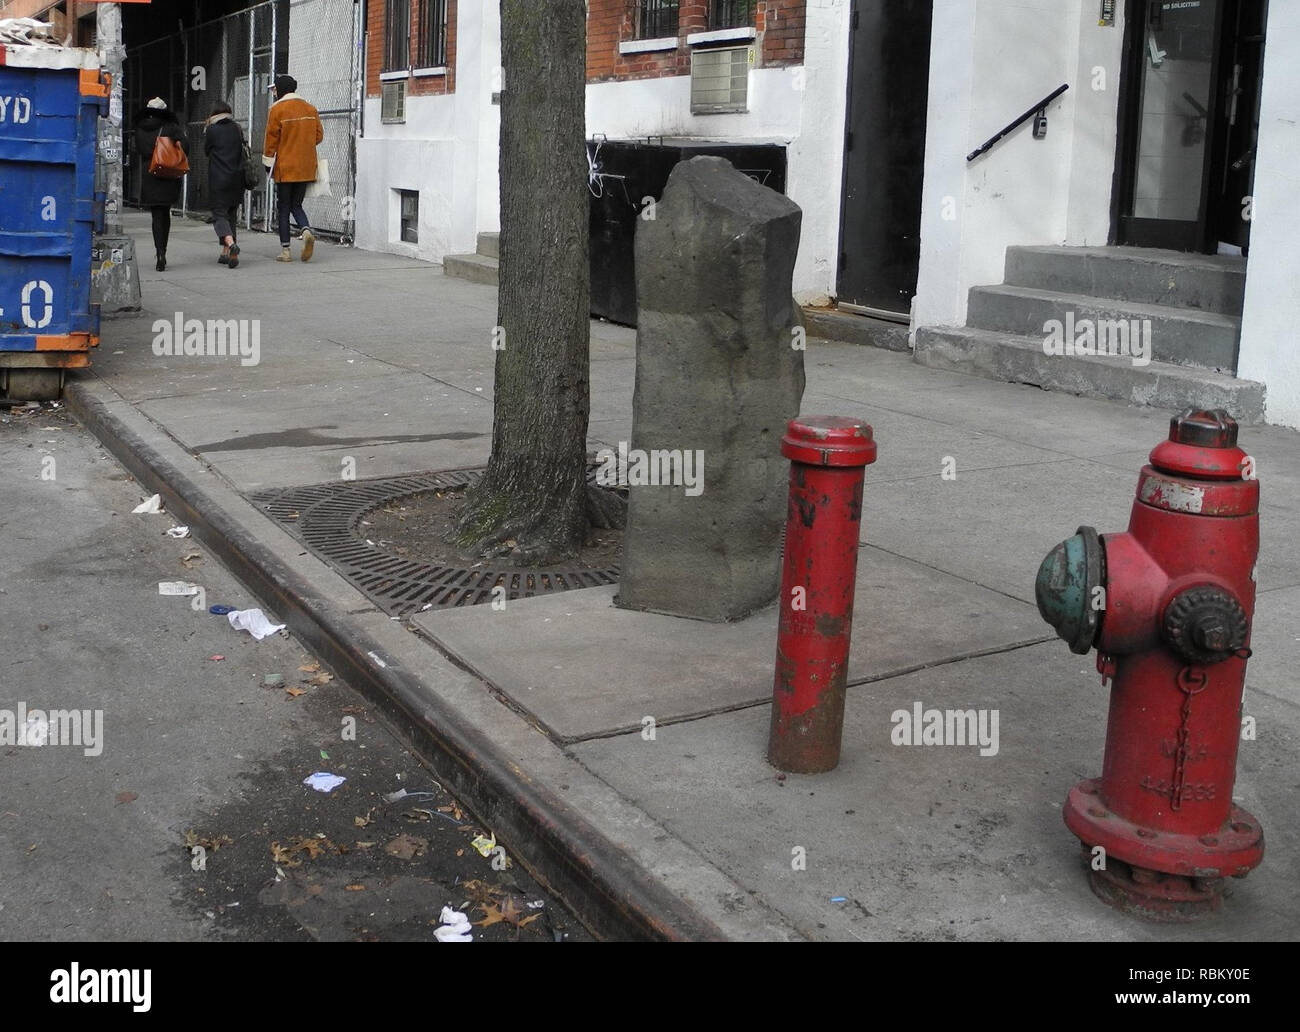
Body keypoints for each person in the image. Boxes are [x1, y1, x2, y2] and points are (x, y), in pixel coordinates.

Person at [263, 74, 323, 263]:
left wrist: (268, 163)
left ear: (280, 89)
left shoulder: (277, 110)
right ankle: (306, 230)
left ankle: (286, 251)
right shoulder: (310, 108)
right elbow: (319, 136)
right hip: (306, 166)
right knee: (297, 204)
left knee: (283, 207)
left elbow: (271, 141)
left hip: (285, 167)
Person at [134, 98, 188, 271]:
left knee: (156, 215)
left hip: (149, 172)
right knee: (165, 213)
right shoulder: (170, 128)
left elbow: (139, 149)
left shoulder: (140, 128)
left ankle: (159, 252)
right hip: (168, 173)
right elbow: (186, 146)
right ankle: (163, 250)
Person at [204, 101, 245, 270]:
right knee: (231, 214)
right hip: (237, 178)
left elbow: (207, 151)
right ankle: (226, 252)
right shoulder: (237, 128)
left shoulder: (212, 130)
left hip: (219, 177)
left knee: (219, 214)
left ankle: (230, 242)